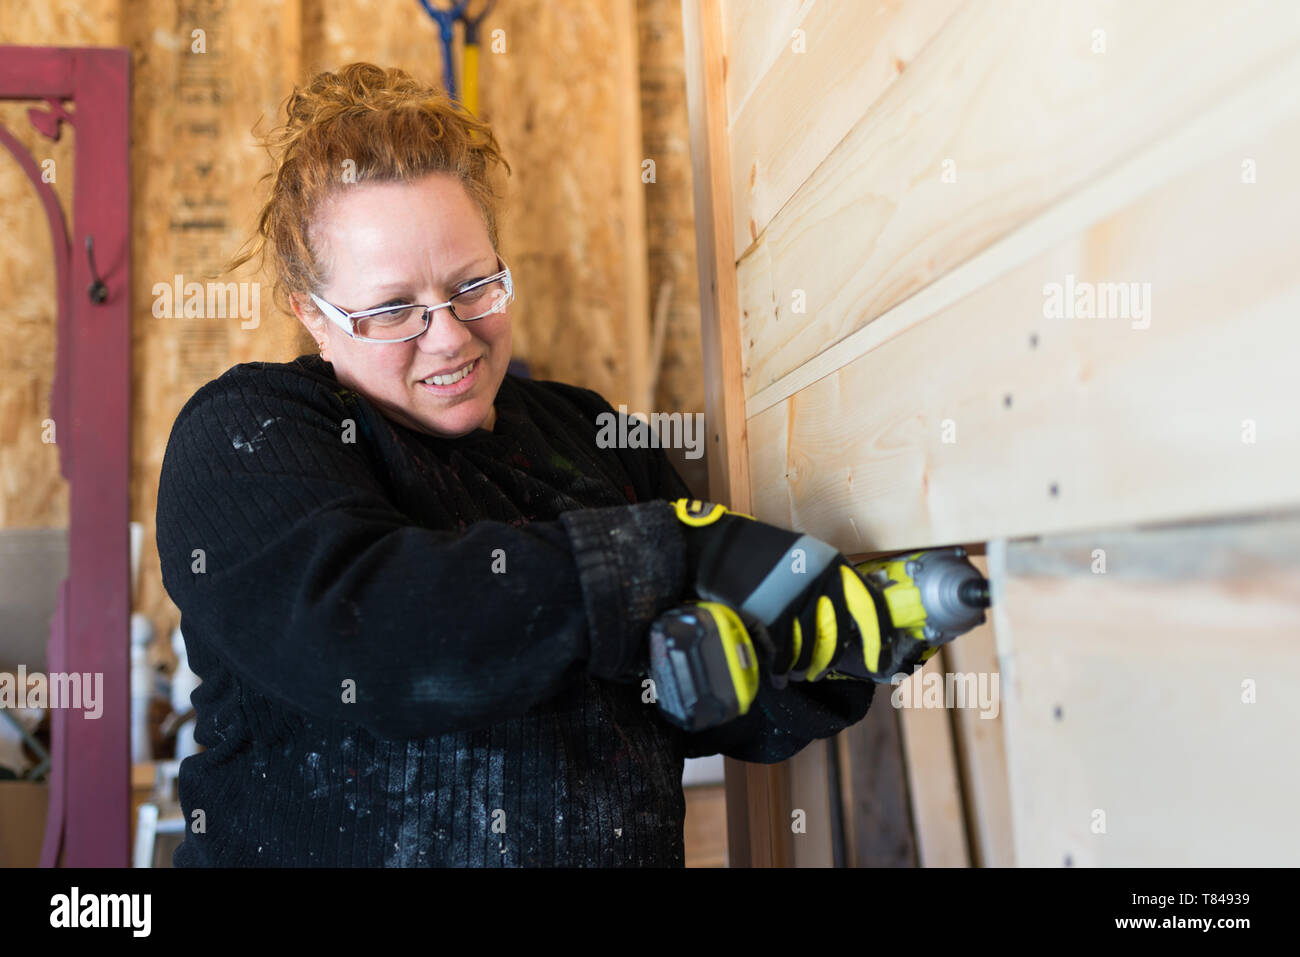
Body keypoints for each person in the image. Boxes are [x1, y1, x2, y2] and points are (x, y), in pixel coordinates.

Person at [155, 62, 880, 868]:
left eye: (474, 285)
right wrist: (669, 552)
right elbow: (367, 637)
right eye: (395, 309)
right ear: (313, 318)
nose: (451, 334)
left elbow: (724, 712)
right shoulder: (247, 434)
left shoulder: (589, 431)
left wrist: (830, 646)